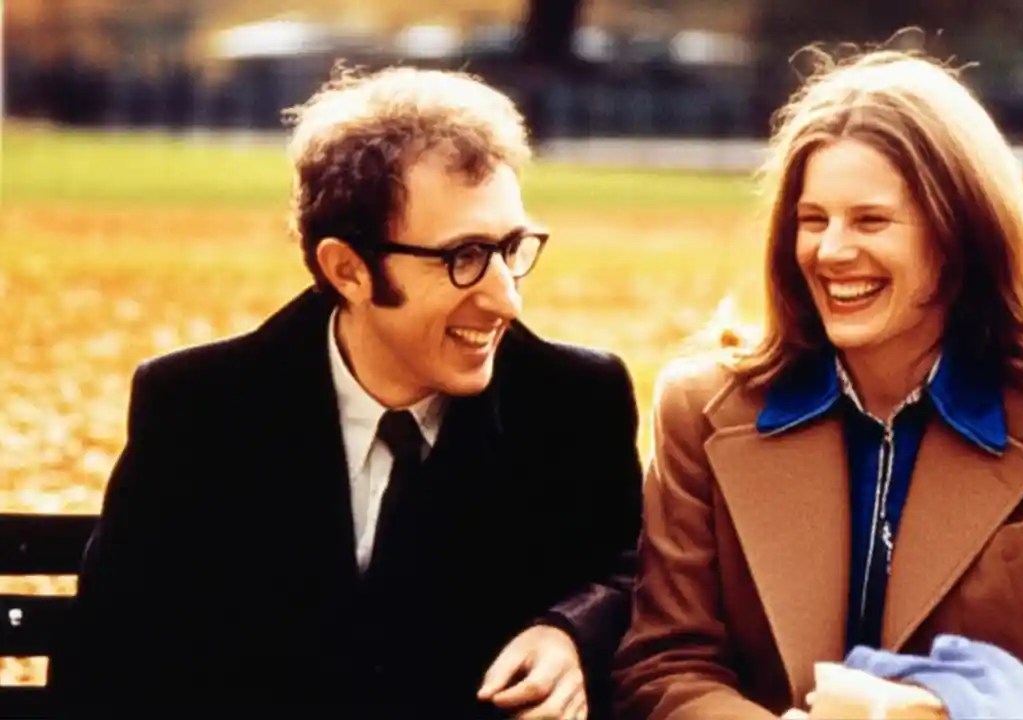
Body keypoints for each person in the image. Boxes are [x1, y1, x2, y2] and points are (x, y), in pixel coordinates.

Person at [613, 48, 1023, 720]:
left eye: (870, 221)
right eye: (812, 220)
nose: (830, 252)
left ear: (958, 233)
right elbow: (662, 669)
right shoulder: (701, 409)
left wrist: (939, 716)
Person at [50, 66, 643, 719]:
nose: (505, 295)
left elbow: (634, 573)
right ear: (347, 270)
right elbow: (105, 664)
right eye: (465, 256)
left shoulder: (573, 404)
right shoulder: (199, 410)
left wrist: (570, 632)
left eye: (511, 247)